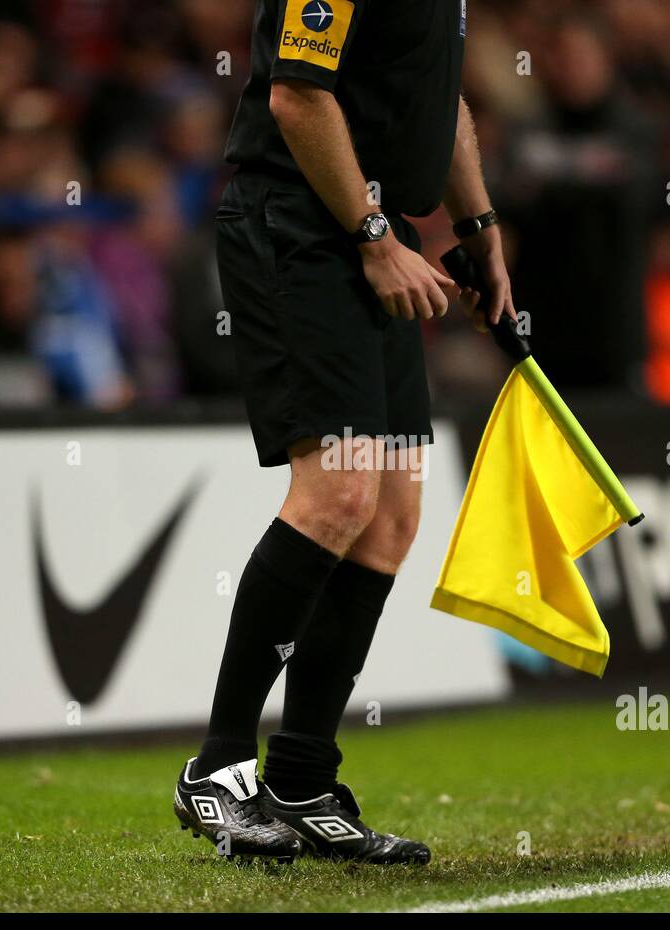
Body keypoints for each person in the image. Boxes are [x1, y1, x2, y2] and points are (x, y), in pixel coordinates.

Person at [173, 0, 513, 864]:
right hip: (297, 222)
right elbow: (297, 97)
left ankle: (299, 780)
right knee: (339, 489)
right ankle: (216, 768)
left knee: (392, 513)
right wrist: (370, 234)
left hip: (377, 230)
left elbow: (444, 105)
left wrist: (477, 231)